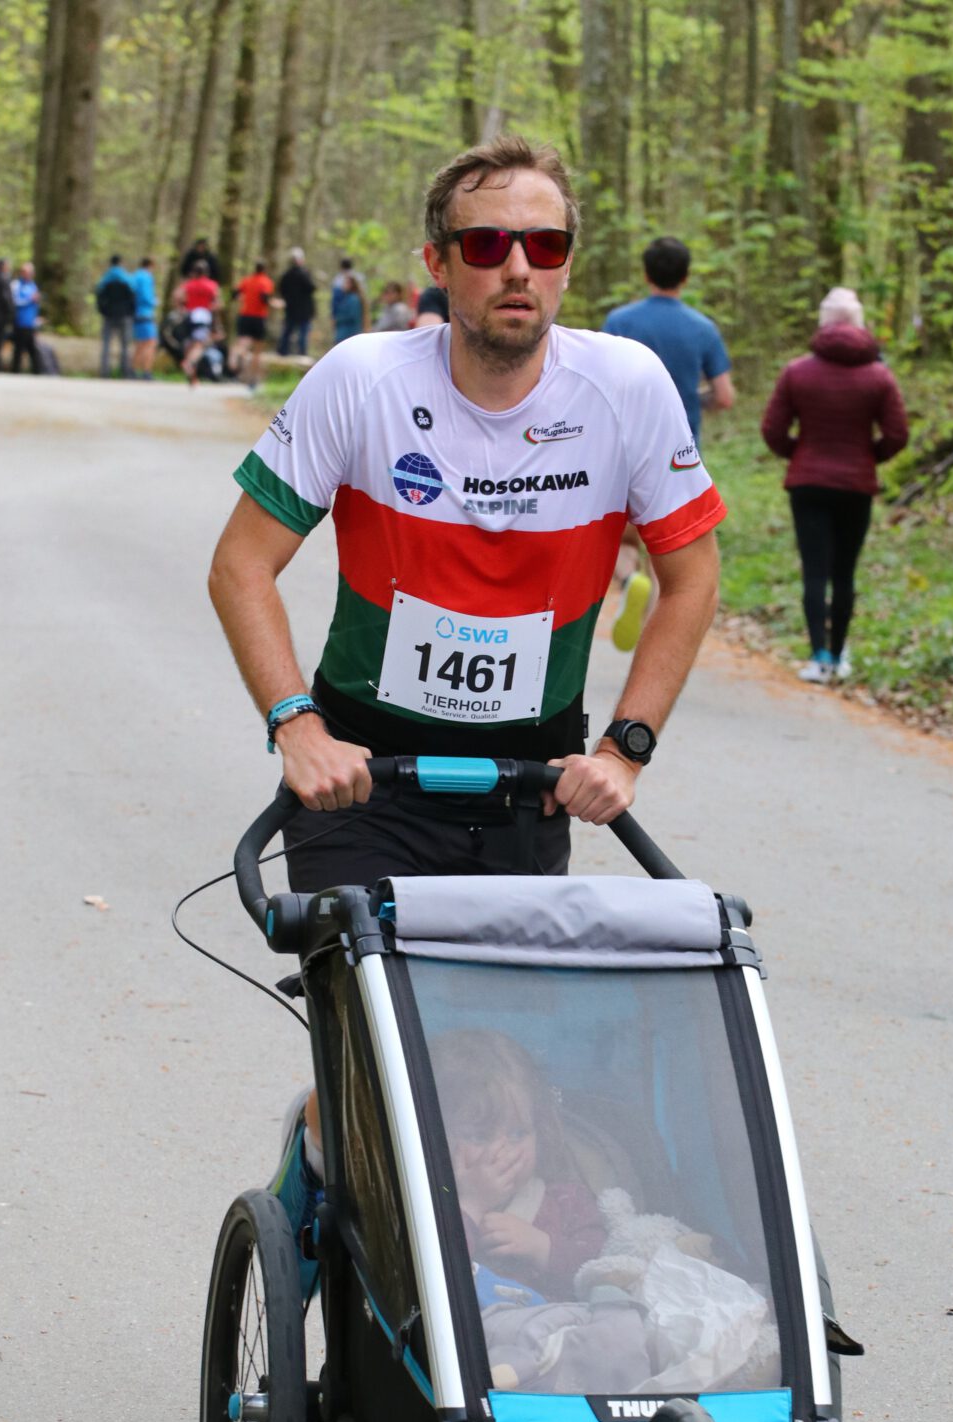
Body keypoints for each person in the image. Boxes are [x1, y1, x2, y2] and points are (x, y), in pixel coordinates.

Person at [207, 135, 725, 1181]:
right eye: (488, 242)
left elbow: (691, 580)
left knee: (505, 1085)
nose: (518, 265)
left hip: (526, 783)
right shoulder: (361, 380)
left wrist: (623, 750)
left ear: (571, 261)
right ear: (439, 263)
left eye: (546, 241)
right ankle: (323, 1195)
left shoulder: (624, 387)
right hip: (362, 777)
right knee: (379, 1067)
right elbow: (240, 566)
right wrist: (295, 727)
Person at [761, 287, 909, 682]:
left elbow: (773, 429)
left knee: (814, 570)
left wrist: (800, 452)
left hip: (808, 484)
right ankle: (840, 656)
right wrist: (867, 457)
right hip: (856, 486)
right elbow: (897, 434)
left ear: (823, 323)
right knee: (844, 572)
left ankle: (819, 656)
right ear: (860, 323)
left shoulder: (797, 371)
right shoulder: (879, 376)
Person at [603, 237, 735, 652]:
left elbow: (602, 383)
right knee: (670, 557)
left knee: (618, 543)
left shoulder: (620, 322)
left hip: (619, 452)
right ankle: (654, 642)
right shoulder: (703, 329)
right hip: (677, 458)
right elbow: (726, 395)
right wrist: (694, 401)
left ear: (646, 274)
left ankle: (627, 581)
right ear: (686, 276)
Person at [431, 1032, 606, 1299]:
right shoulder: (432, 1206)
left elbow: (601, 1266)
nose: (503, 1152)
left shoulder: (567, 1200)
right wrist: (471, 1206)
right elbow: (433, 1272)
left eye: (517, 1134)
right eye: (480, 1136)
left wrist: (543, 1248)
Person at [174, 259, 221, 386]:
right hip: (203, 317)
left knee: (190, 346)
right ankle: (188, 363)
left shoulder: (188, 284)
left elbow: (177, 295)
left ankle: (193, 377)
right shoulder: (212, 285)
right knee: (199, 345)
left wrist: (181, 308)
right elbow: (217, 303)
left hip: (189, 316)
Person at [232, 258, 276, 389]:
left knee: (243, 344)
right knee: (257, 350)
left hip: (245, 316)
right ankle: (253, 379)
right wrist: (274, 304)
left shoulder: (246, 280)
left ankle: (237, 364)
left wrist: (242, 299)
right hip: (258, 317)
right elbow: (264, 298)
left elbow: (235, 294)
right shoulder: (266, 282)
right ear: (265, 269)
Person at [95, 254, 135, 378]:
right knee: (125, 345)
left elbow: (99, 296)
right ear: (121, 262)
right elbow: (133, 297)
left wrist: (103, 311)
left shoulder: (105, 279)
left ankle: (104, 372)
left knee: (106, 344)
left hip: (109, 316)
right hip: (124, 316)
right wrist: (130, 312)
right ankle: (125, 372)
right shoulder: (127, 279)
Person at [277, 248, 315, 356]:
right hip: (303, 310)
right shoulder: (304, 274)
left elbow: (281, 290)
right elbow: (311, 288)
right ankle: (301, 353)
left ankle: (283, 351)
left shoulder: (286, 275)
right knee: (302, 333)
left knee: (288, 331)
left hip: (291, 308)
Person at [10, 262, 43, 374]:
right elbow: (14, 302)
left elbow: (36, 304)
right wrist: (30, 299)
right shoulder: (16, 285)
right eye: (27, 272)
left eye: (31, 272)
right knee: (18, 349)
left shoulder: (33, 285)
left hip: (30, 323)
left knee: (33, 349)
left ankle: (38, 373)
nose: (29, 274)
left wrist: (37, 318)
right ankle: (15, 371)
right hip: (19, 322)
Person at [131, 255, 158, 379]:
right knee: (150, 343)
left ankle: (133, 371)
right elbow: (147, 297)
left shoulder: (134, 276)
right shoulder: (146, 277)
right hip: (146, 313)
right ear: (150, 266)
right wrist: (155, 302)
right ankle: (146, 372)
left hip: (135, 313)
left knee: (139, 344)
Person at [331, 270, 364, 344]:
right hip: (342, 332)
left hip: (348, 333)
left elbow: (352, 316)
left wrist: (337, 319)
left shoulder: (354, 299)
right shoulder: (346, 298)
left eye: (346, 283)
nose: (344, 285)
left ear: (352, 285)